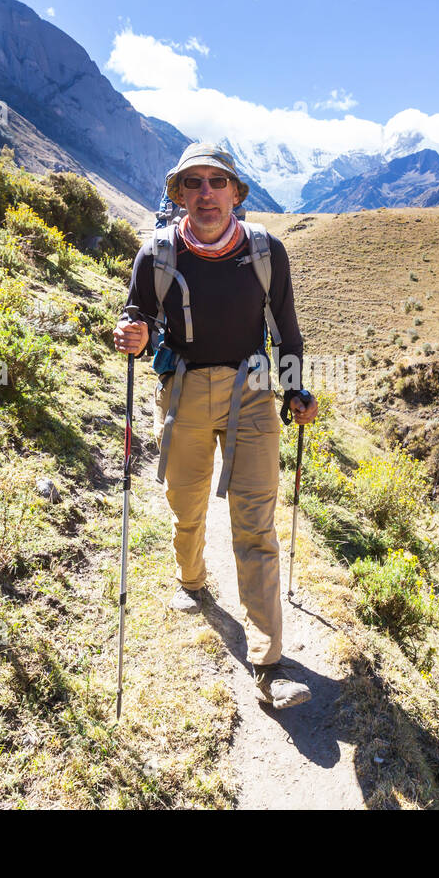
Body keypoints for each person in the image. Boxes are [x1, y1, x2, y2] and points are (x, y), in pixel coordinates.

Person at [112, 142, 319, 709]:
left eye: (217, 182)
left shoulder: (266, 253)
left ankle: (269, 662)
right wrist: (131, 335)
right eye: (193, 183)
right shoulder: (156, 255)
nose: (206, 193)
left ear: (235, 192)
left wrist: (297, 387)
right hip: (182, 390)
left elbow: (288, 333)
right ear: (178, 194)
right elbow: (139, 320)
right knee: (187, 503)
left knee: (255, 519)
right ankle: (193, 580)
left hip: (252, 392)